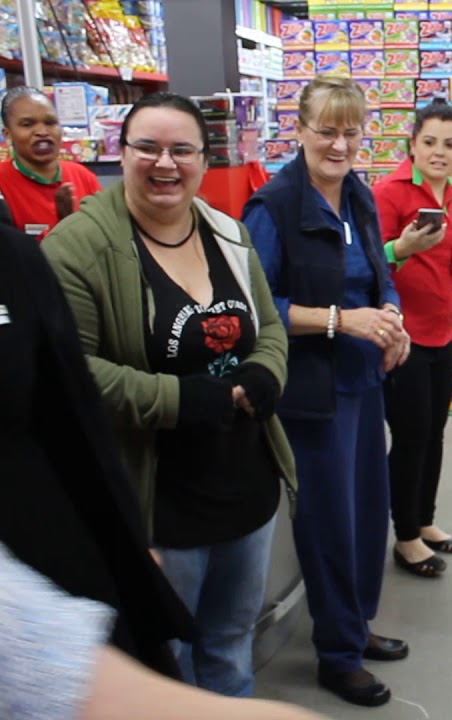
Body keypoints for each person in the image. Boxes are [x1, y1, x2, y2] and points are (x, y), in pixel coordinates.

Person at [41, 92, 297, 698]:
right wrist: (190, 400)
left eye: (182, 150)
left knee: (231, 643)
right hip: (158, 502)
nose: (165, 164)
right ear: (119, 154)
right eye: (147, 148)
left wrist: (266, 374)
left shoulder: (227, 232)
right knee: (169, 659)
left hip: (245, 487)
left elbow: (270, 329)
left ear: (204, 161)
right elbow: (74, 376)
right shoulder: (77, 250)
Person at [242, 75, 412, 708]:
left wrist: (391, 319)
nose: (339, 145)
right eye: (327, 131)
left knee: (371, 511)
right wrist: (343, 320)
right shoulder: (273, 207)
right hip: (310, 393)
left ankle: (356, 625)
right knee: (331, 524)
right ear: (300, 130)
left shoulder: (359, 196)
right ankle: (336, 655)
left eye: (351, 132)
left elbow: (380, 271)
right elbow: (253, 306)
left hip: (362, 381)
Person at [1, 222, 194, 680]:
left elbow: (74, 416)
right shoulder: (79, 243)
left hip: (45, 551)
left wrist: (125, 535)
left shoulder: (12, 257)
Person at [0, 542, 328, 720]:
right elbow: (71, 682)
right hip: (173, 517)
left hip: (243, 500)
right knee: (172, 653)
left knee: (231, 645)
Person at [373, 99, 452, 579]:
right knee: (411, 436)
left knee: (434, 434)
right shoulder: (388, 193)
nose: (440, 152)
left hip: (442, 333)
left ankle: (427, 520)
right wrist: (402, 247)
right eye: (430, 142)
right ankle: (406, 537)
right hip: (401, 337)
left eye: (450, 144)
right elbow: (371, 266)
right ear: (412, 144)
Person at [0, 86, 102, 240]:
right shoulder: (3, 182)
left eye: (50, 122)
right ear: (8, 135)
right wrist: (66, 225)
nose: (42, 132)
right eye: (27, 124)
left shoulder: (83, 177)